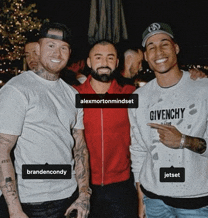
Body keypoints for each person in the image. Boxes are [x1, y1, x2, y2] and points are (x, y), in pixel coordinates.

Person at [128, 22, 208, 218]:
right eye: (151, 47)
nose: (158, 51)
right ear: (145, 56)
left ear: (176, 48)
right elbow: (138, 150)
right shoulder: (139, 98)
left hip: (196, 203)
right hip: (154, 201)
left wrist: (184, 141)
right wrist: (140, 196)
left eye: (164, 44)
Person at [0, 22, 90, 218]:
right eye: (51, 46)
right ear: (38, 49)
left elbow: (80, 147)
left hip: (69, 198)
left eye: (63, 48)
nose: (57, 54)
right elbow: (2, 149)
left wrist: (84, 194)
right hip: (32, 203)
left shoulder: (73, 94)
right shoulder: (16, 90)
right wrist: (14, 210)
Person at [74, 40, 138, 218]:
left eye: (110, 58)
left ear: (117, 63)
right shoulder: (73, 94)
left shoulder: (130, 94)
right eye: (98, 57)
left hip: (122, 186)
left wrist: (194, 77)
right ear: (89, 62)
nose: (104, 63)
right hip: (82, 186)